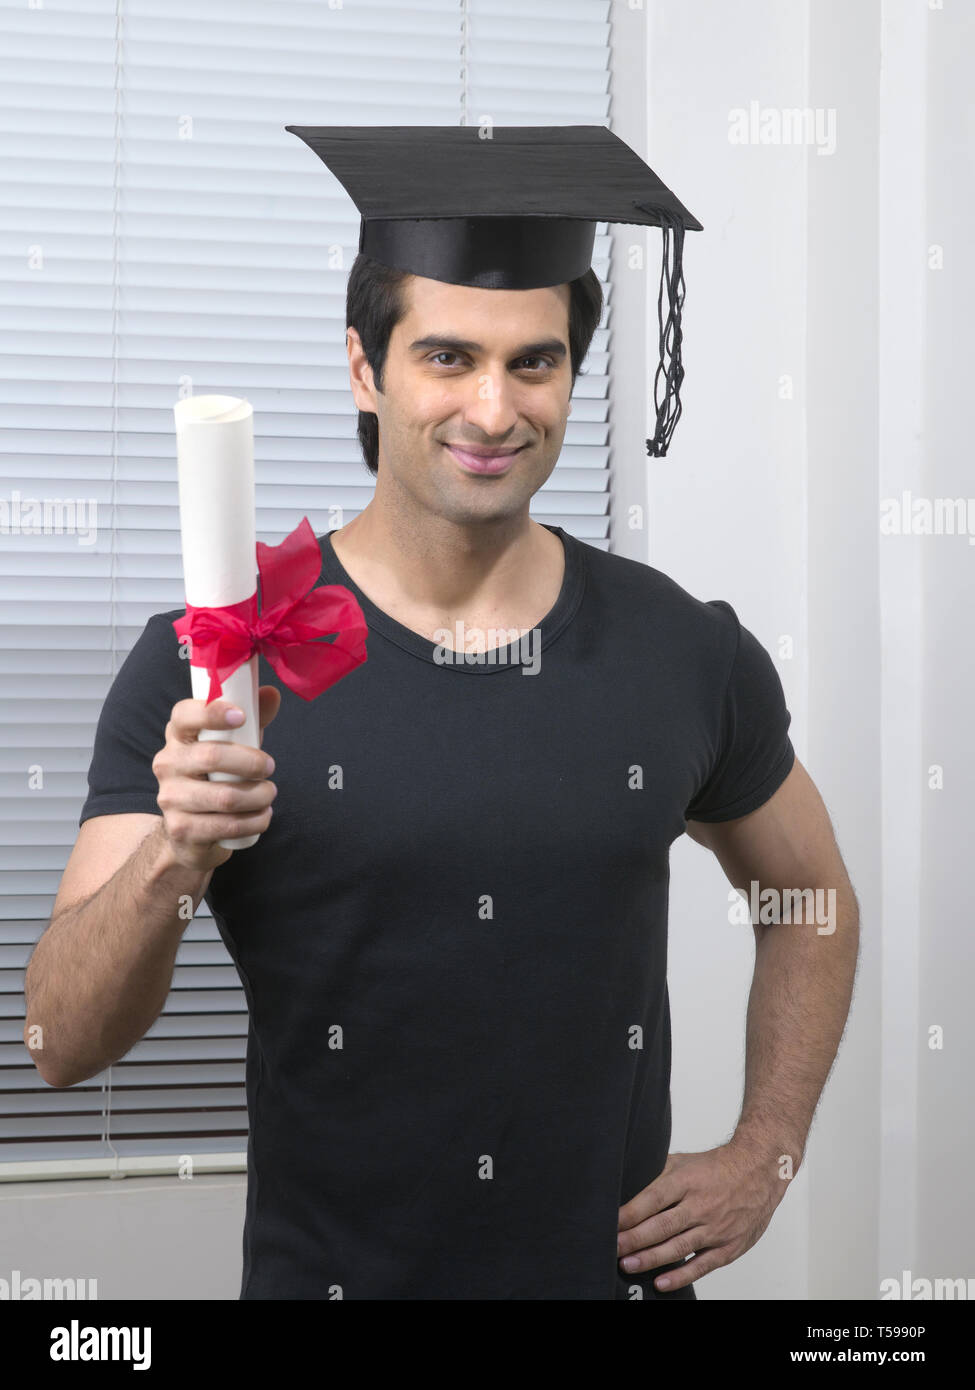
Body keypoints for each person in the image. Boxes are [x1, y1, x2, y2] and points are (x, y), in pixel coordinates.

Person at [23, 126, 859, 1301]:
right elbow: (61, 1045)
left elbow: (812, 901)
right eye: (448, 357)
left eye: (536, 363)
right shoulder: (213, 663)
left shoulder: (683, 650)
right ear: (366, 370)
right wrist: (177, 850)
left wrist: (765, 1154)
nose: (494, 408)